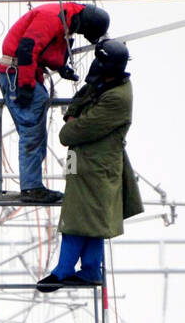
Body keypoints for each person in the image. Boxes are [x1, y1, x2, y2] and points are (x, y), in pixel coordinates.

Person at [36, 37, 143, 290]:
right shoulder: (105, 81)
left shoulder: (117, 97)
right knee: (90, 220)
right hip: (84, 163)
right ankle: (90, 270)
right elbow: (80, 99)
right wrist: (72, 115)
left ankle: (63, 271)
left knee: (77, 218)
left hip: (97, 167)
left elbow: (71, 133)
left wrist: (73, 122)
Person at [0, 2, 110, 205]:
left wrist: (61, 67)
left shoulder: (63, 18)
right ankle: (31, 188)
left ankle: (33, 186)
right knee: (32, 132)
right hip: (17, 75)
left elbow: (43, 47)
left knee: (36, 133)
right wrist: (26, 85)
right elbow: (28, 47)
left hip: (22, 73)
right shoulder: (53, 17)